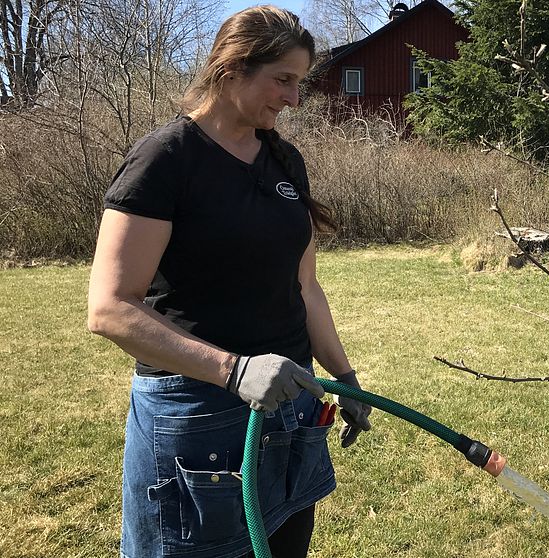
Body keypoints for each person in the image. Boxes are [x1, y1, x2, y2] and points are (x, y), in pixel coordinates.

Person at [86, 6, 372, 558]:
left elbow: (305, 286)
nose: (293, 98)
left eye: (300, 82)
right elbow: (110, 308)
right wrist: (233, 369)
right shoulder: (166, 159)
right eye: (282, 80)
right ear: (232, 68)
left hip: (292, 405)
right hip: (197, 416)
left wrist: (345, 375)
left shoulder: (284, 159)